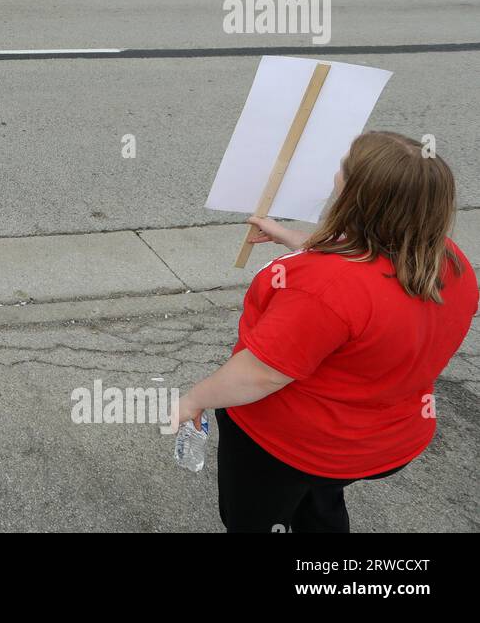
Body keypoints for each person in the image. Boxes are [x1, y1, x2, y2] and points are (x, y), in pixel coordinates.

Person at [175, 132, 477, 532]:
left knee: (256, 518)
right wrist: (296, 241)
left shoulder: (324, 290)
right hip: (381, 441)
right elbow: (373, 269)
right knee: (319, 503)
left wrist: (193, 400)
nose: (335, 173)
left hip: (291, 444)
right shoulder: (449, 261)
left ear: (355, 195)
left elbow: (263, 372)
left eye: (343, 167)